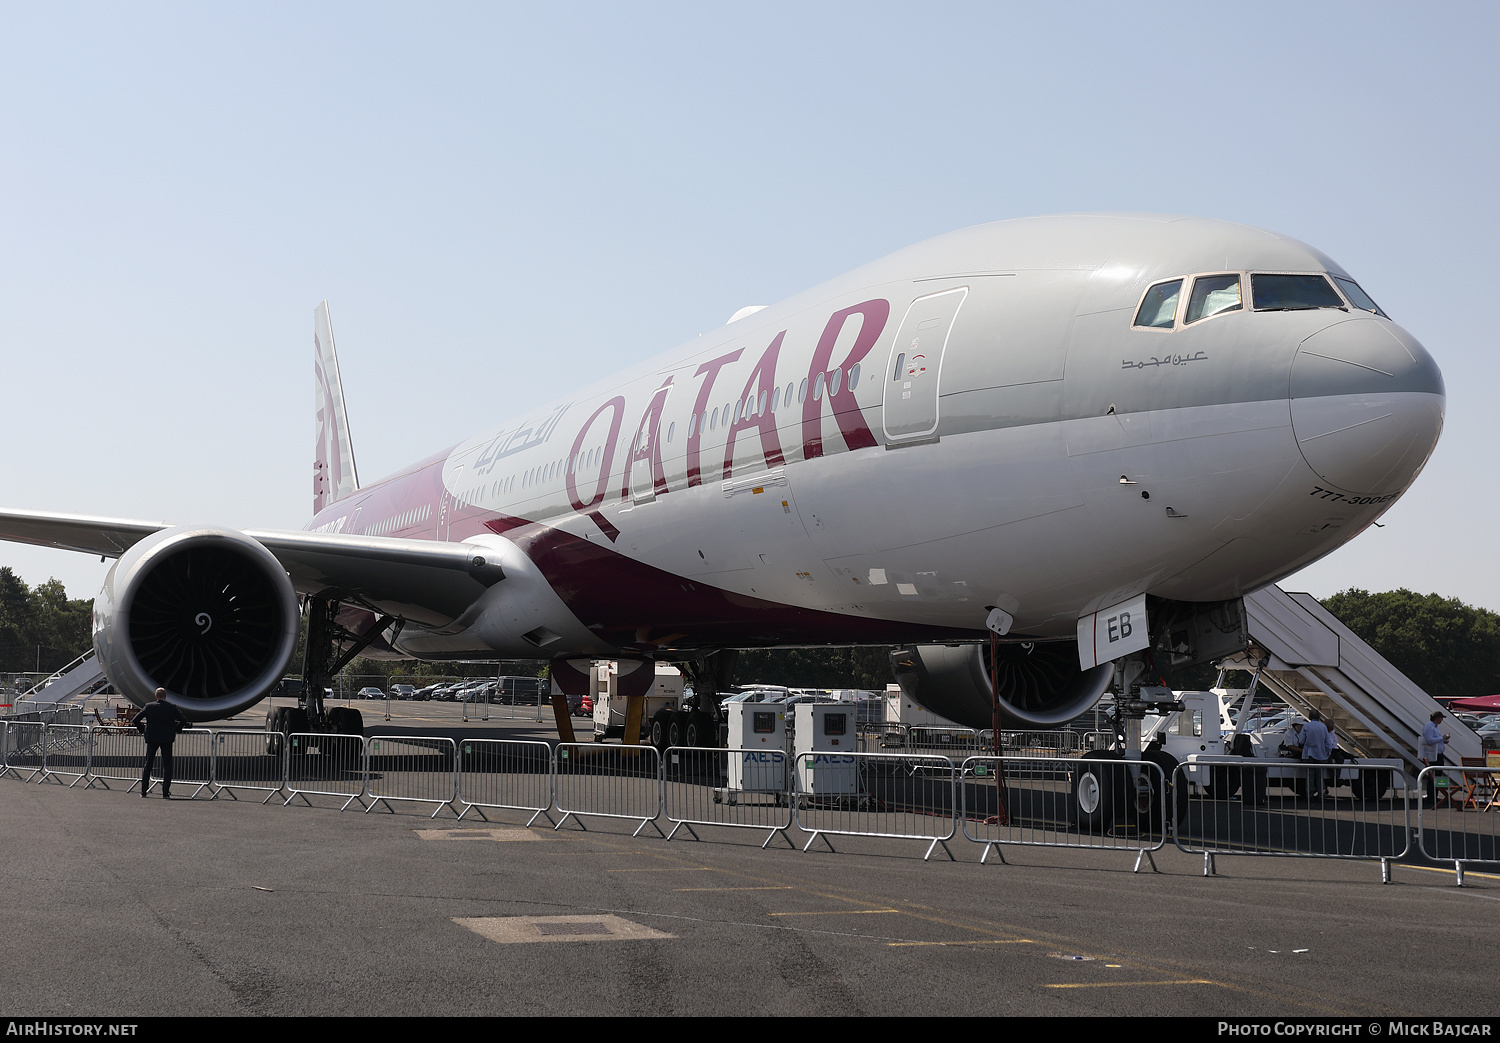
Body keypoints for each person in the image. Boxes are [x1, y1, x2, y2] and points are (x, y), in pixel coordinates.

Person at [133, 688, 190, 799]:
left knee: (148, 764)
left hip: (152, 738)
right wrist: (176, 729)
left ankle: (144, 791)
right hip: (166, 739)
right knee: (167, 766)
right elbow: (183, 720)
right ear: (165, 696)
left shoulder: (149, 706)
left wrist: (142, 730)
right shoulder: (171, 707)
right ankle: (165, 792)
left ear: (156, 696)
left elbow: (135, 719)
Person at [1299, 710, 1334, 800]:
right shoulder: (1323, 726)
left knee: (1310, 775)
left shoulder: (1307, 726)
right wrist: (1327, 753)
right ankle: (1320, 794)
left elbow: (1301, 740)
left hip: (1308, 754)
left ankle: (1310, 794)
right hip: (1321, 754)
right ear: (1319, 717)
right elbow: (1328, 743)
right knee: (1320, 776)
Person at [1418, 710, 1450, 807]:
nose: (1441, 720)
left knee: (1436, 776)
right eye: (1441, 718)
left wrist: (1442, 741)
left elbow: (1433, 740)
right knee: (1433, 776)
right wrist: (1442, 738)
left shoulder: (1433, 727)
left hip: (1437, 754)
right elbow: (1429, 740)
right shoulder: (1429, 726)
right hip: (1434, 756)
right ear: (1437, 718)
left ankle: (1434, 796)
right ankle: (1431, 797)